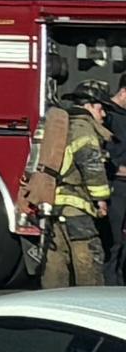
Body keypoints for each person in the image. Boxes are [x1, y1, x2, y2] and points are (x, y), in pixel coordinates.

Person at [43, 81, 114, 289]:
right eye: (101, 109)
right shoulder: (83, 129)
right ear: (89, 105)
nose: (103, 115)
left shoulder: (57, 125)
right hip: (77, 211)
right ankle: (87, 308)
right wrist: (101, 201)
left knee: (55, 266)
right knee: (88, 263)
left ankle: (52, 309)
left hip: (51, 208)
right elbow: (92, 169)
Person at [102, 76, 126, 284]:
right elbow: (99, 156)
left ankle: (118, 279)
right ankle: (109, 281)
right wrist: (119, 170)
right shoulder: (107, 115)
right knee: (114, 239)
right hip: (114, 186)